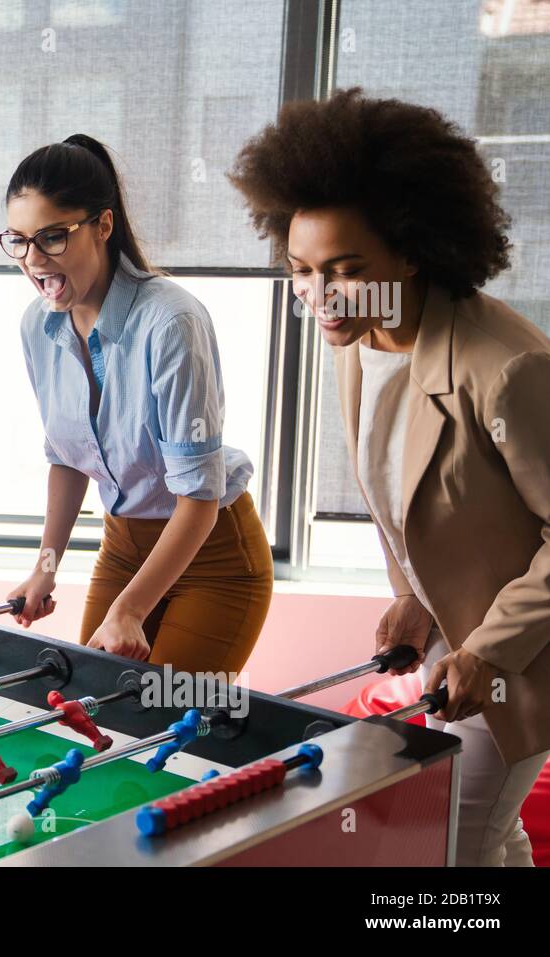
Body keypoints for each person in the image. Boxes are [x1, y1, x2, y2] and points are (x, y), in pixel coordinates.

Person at [229, 87, 550, 865]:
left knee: (438, 850)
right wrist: (410, 597)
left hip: (521, 657)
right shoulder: (359, 341)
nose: (319, 294)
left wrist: (488, 653)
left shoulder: (504, 368)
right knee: (486, 839)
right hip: (453, 639)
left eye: (345, 269)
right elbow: (403, 495)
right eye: (302, 269)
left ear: (411, 249)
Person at [2, 135, 273, 673]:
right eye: (18, 240)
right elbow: (66, 457)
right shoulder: (39, 324)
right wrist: (46, 569)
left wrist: (129, 609)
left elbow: (198, 497)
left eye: (52, 237)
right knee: (88, 708)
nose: (33, 261)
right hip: (124, 546)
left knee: (167, 722)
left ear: (103, 226)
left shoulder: (172, 321)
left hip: (213, 554)